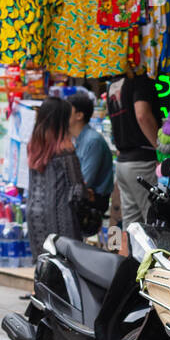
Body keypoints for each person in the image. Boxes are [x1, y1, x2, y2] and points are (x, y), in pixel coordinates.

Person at [25, 97, 86, 260]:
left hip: (34, 213)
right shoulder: (65, 150)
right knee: (65, 265)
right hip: (60, 217)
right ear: (62, 120)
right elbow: (77, 190)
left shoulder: (33, 146)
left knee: (44, 265)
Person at [106, 72, 161, 228]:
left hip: (123, 162)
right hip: (142, 161)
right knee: (152, 220)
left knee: (132, 222)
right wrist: (160, 148)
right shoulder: (140, 80)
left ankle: (133, 252)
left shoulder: (114, 84)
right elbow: (142, 115)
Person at [69, 91, 114, 234]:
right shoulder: (78, 139)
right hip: (83, 199)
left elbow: (83, 182)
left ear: (79, 115)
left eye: (67, 110)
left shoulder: (92, 141)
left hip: (92, 205)